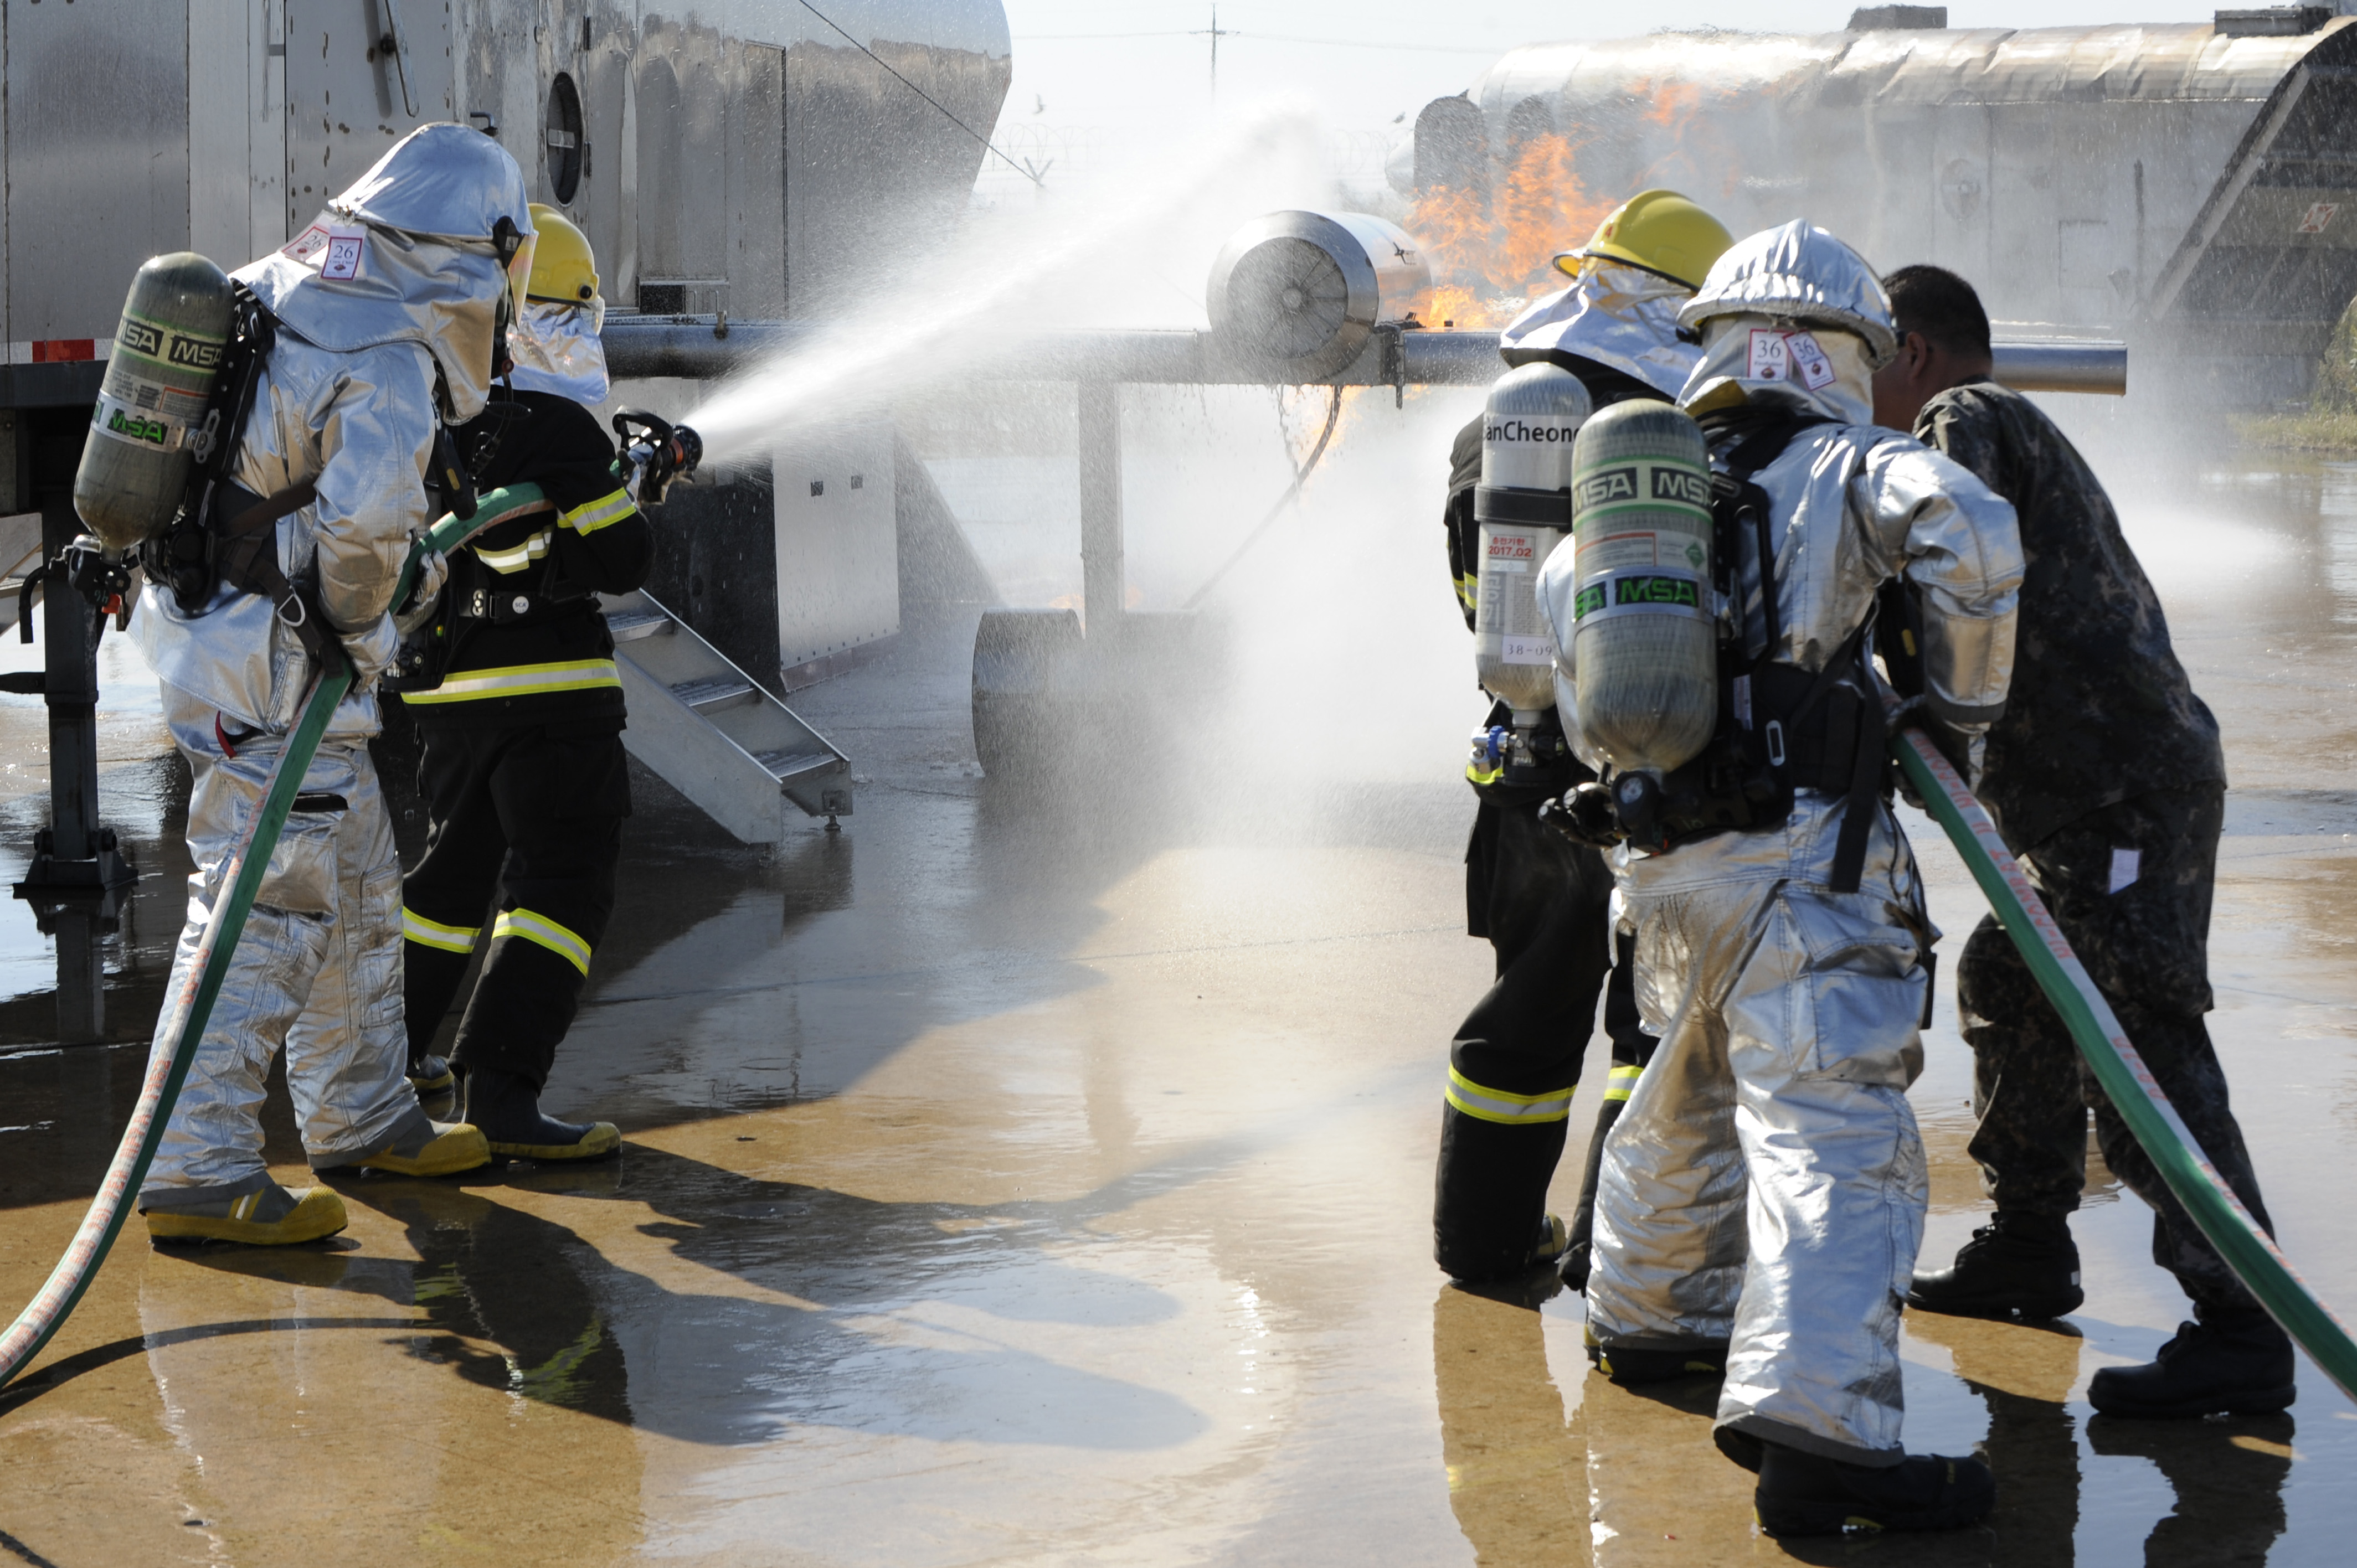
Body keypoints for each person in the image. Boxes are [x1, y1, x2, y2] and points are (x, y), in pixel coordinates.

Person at [1537, 221, 2022, 1535]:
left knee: (1682, 1089)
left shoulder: (1643, 501)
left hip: (1663, 865)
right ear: (1844, 351)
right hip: (1806, 865)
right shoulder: (1854, 462)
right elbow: (1970, 537)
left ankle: (1651, 1323)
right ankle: (1821, 1432)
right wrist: (1954, 710)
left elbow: (1549, 653)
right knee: (1834, 1138)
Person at [1872, 264, 2293, 1419]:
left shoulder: (1966, 418)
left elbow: (1953, 556)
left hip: (2119, 795)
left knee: (2136, 1033)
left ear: (1908, 349)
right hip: (2085, 794)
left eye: (1860, 359)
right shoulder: (1985, 422)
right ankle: (2026, 1250)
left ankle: (2240, 1325)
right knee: (2008, 979)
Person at [132, 123, 533, 1245]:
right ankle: (196, 1166)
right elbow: (363, 534)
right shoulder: (391, 349)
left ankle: (361, 1114)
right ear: (467, 246)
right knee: (269, 908)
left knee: (357, 884)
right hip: (276, 667)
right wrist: (372, 628)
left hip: (224, 633)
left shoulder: (275, 287)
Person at [1433, 190, 1730, 1287]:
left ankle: (1485, 1245)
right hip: (1649, 775)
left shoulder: (1494, 431)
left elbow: (1476, 598)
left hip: (1519, 769)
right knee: (1650, 1033)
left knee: (1521, 1024)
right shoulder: (1679, 432)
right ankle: (1616, 1267)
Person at [390, 204, 645, 1160]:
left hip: (447, 699)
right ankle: (500, 1091)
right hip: (554, 704)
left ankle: (387, 1076)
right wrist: (627, 485)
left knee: (447, 885)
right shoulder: (564, 430)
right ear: (536, 316)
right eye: (571, 317)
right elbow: (622, 558)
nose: (581, 337)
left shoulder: (430, 413)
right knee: (560, 887)